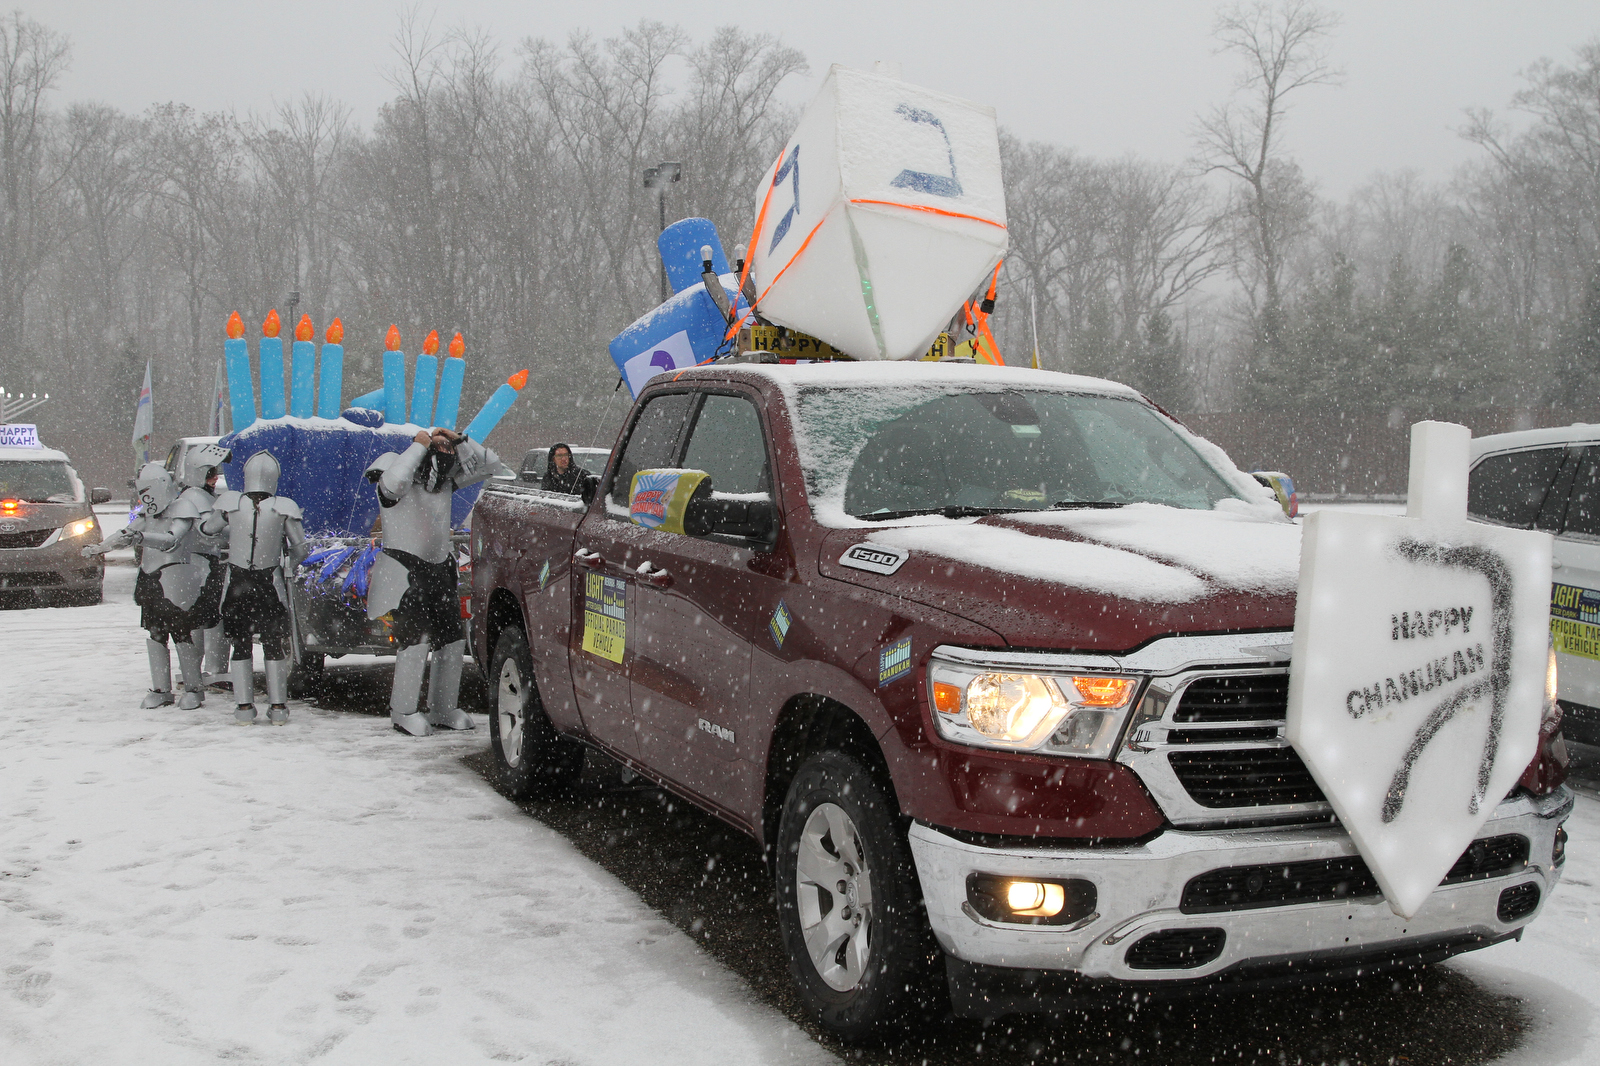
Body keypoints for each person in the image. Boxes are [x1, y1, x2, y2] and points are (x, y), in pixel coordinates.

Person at [365, 426, 498, 736]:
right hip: (405, 569)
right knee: (414, 642)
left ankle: (443, 707)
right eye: (440, 449)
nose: (445, 454)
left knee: (451, 641)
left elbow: (490, 465)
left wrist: (458, 439)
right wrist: (419, 445)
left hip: (440, 568)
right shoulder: (394, 473)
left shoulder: (443, 482)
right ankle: (403, 710)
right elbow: (394, 485)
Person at [81, 463, 210, 709]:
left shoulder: (183, 507)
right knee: (156, 634)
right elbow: (126, 532)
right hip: (151, 578)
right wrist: (100, 547)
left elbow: (171, 540)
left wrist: (141, 538)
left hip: (176, 578)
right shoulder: (146, 513)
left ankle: (194, 688)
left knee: (182, 635)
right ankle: (161, 689)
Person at [200, 451, 308, 725]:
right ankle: (278, 706)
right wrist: (289, 564)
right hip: (268, 583)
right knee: (272, 644)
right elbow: (300, 548)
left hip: (238, 581)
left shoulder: (231, 503)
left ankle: (244, 706)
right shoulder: (283, 507)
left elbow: (208, 529)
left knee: (241, 644)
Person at [179, 445, 232, 687]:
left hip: (208, 564)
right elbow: (206, 531)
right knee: (204, 621)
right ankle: (207, 670)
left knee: (208, 620)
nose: (215, 478)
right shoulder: (194, 497)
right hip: (201, 564)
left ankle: (209, 669)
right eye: (210, 472)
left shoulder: (201, 495)